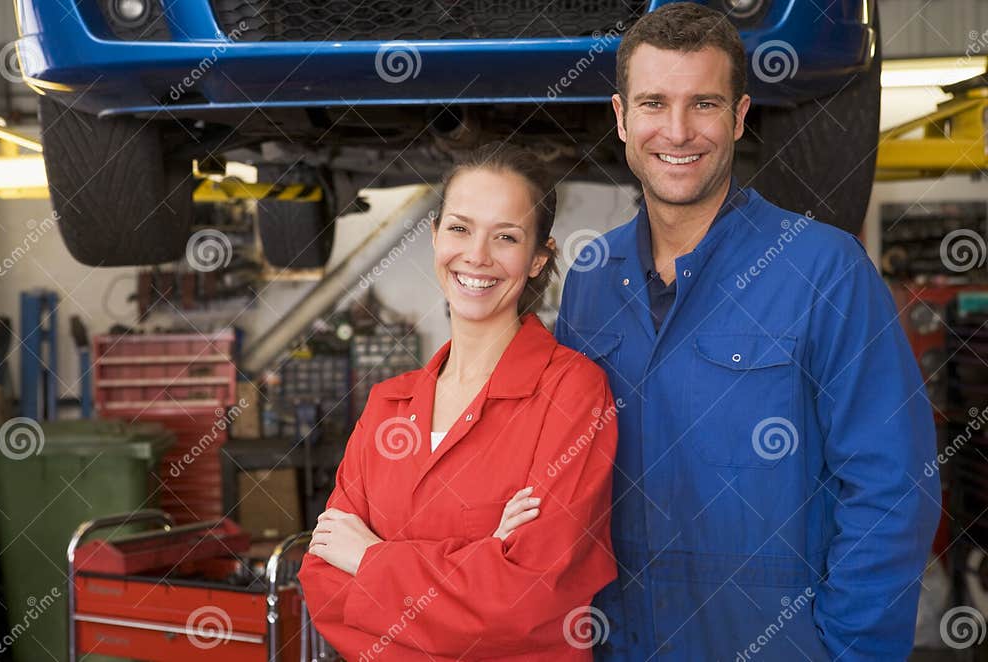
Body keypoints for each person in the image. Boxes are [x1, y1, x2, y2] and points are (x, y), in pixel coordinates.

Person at [552, 4, 941, 661]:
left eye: (704, 103)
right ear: (621, 118)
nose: (677, 131)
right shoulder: (591, 280)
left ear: (738, 116)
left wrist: (846, 651)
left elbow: (894, 492)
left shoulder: (823, 269)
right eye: (654, 103)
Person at [298, 142, 619, 661]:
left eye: (507, 237)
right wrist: (481, 559)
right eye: (460, 228)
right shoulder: (388, 406)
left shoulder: (572, 393)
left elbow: (531, 600)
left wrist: (372, 558)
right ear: (434, 237)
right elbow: (324, 586)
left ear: (539, 258)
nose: (477, 256)